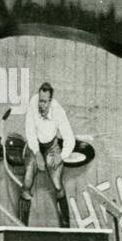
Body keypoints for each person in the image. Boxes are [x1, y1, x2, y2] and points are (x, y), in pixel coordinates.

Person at [20, 81, 75, 228]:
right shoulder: (33, 103)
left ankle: (66, 226)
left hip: (52, 147)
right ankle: (21, 225)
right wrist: (37, 153)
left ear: (50, 101)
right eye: (40, 101)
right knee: (26, 182)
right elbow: (30, 131)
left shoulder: (58, 111)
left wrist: (60, 156)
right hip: (35, 145)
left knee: (57, 185)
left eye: (45, 102)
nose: (41, 105)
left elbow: (70, 138)